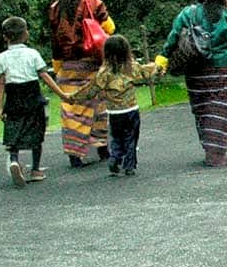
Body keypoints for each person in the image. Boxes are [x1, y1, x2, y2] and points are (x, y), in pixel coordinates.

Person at [155, 0, 227, 168]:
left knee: (202, 109)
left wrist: (163, 59)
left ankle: (209, 149)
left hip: (196, 71)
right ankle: (217, 153)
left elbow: (173, 38)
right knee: (220, 111)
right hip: (224, 71)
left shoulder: (188, 13)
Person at [48, 0, 114, 168]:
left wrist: (58, 67)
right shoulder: (93, 2)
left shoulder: (55, 7)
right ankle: (102, 148)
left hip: (67, 65)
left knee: (72, 108)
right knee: (98, 105)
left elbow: (54, 41)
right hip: (92, 62)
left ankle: (75, 155)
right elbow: (109, 28)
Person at [67, 35, 160, 177]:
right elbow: (145, 71)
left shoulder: (104, 72)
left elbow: (91, 88)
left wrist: (73, 97)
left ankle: (115, 159)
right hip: (131, 110)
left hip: (114, 113)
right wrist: (158, 66)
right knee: (131, 138)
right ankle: (129, 166)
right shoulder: (130, 67)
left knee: (116, 138)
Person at [0, 17, 67, 186]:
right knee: (37, 131)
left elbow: (1, 82)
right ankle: (35, 169)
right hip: (33, 96)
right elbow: (44, 76)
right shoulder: (33, 54)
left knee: (13, 131)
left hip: (13, 97)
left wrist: (0, 107)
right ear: (26, 34)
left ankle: (14, 160)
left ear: (5, 37)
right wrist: (62, 94)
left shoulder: (2, 57)